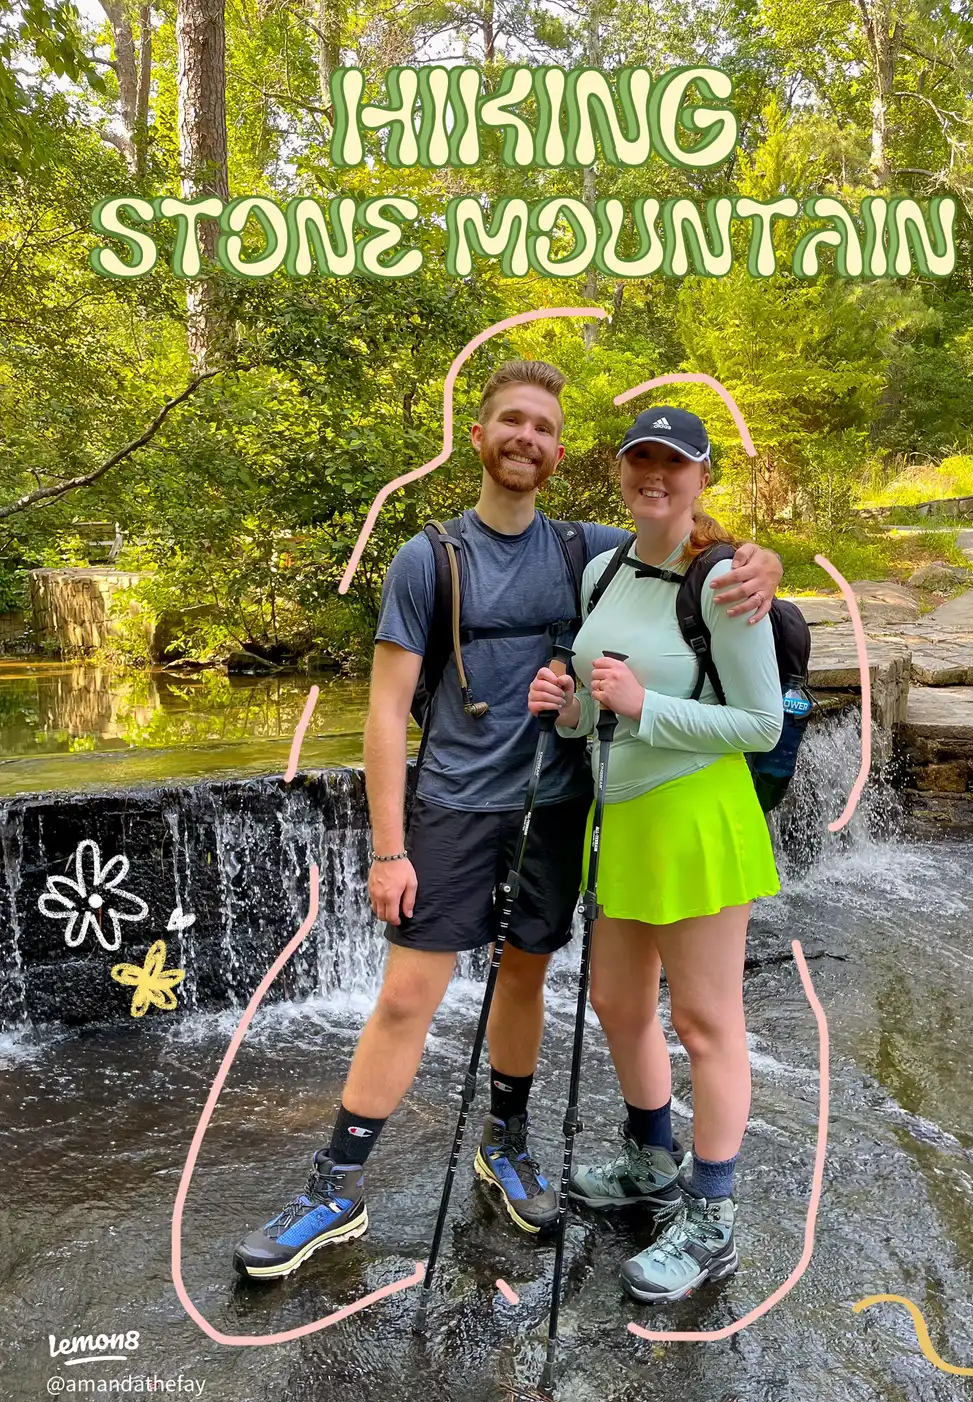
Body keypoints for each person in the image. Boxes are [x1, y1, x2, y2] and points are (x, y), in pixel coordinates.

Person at [233, 363, 783, 1281]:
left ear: (560, 455)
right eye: (512, 421)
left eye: (544, 427)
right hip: (453, 805)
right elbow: (384, 713)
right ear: (480, 436)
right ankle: (335, 1187)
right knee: (408, 996)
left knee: (526, 979)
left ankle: (509, 1143)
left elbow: (696, 547)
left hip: (559, 809)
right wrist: (388, 847)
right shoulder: (432, 559)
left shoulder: (584, 552)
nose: (527, 437)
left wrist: (762, 561)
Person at [527, 403, 783, 1305]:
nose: (655, 475)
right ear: (621, 471)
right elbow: (595, 719)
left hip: (697, 818)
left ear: (701, 477)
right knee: (617, 1002)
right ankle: (651, 1163)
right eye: (641, 458)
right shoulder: (603, 570)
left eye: (674, 463)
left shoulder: (726, 581)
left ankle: (711, 1222)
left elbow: (759, 723)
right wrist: (569, 706)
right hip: (624, 820)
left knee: (707, 1024)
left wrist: (644, 706)